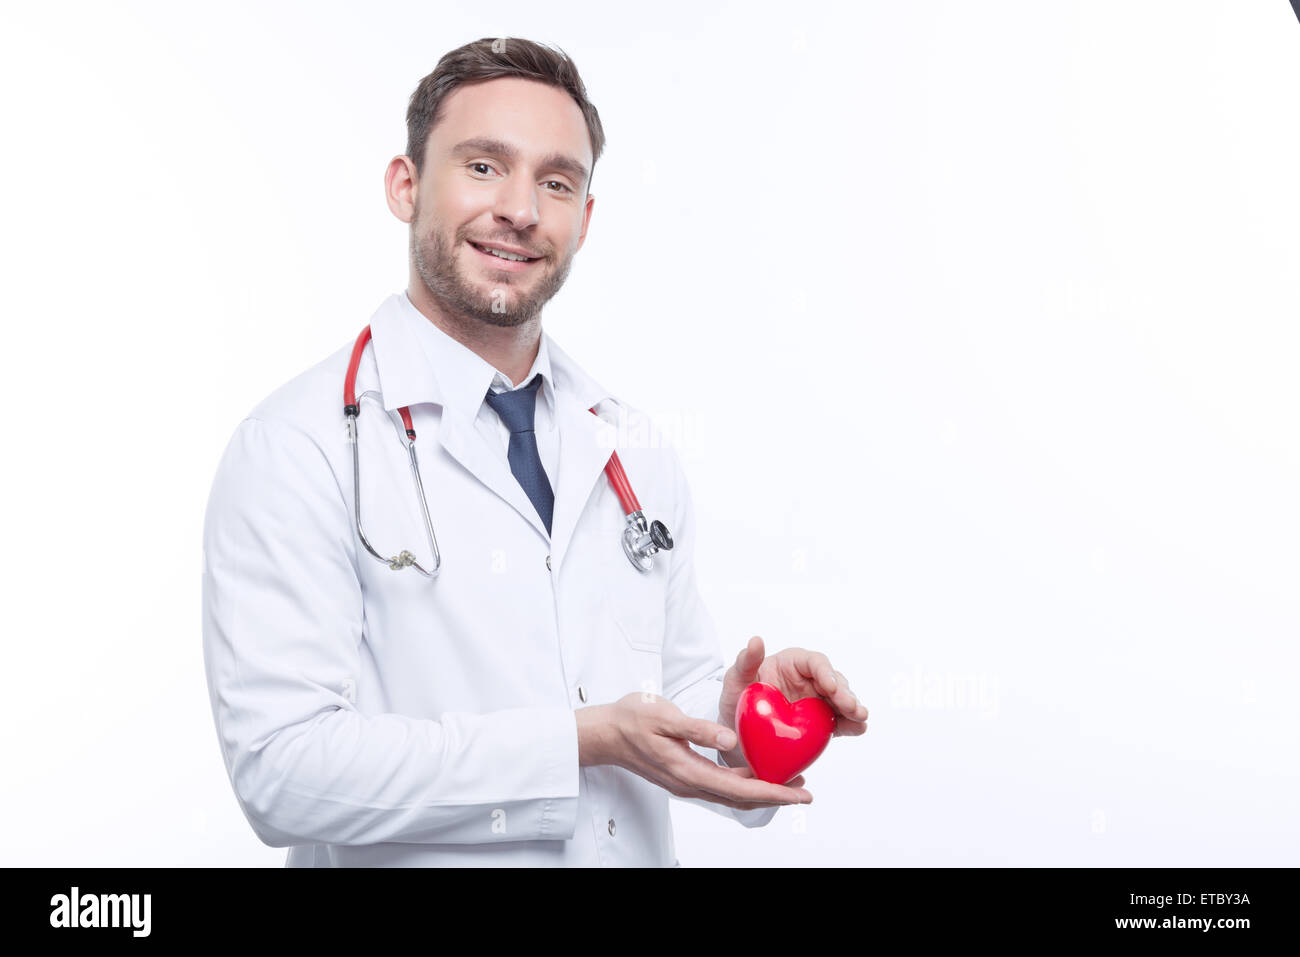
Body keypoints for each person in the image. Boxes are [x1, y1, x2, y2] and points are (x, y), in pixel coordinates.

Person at [200, 36, 868, 867]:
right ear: (405, 187)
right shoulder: (297, 447)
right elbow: (283, 773)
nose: (521, 209)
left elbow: (667, 704)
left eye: (556, 182)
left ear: (584, 219)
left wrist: (739, 720)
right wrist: (579, 742)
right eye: (483, 167)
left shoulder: (631, 447)